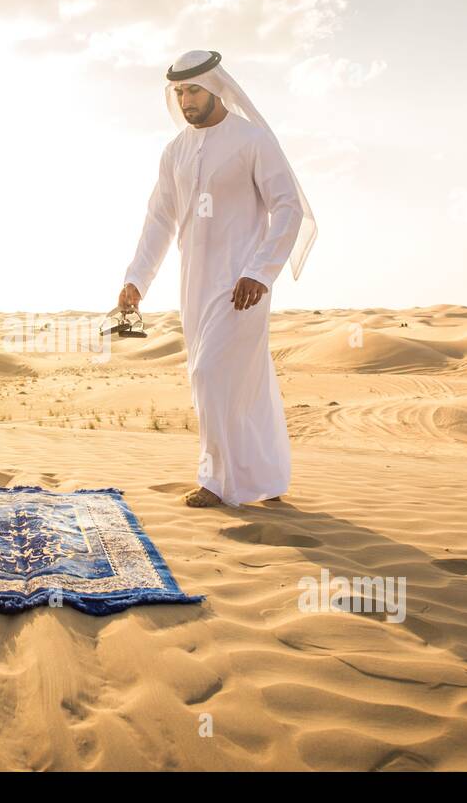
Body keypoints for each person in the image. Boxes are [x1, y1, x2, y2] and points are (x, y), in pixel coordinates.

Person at [119, 49, 318, 507]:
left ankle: (216, 482)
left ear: (215, 87)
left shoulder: (252, 140)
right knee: (233, 382)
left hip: (242, 286)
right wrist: (136, 280)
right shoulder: (176, 152)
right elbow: (159, 220)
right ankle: (264, 479)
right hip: (195, 284)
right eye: (179, 92)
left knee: (212, 375)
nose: (185, 100)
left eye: (192, 90)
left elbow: (287, 207)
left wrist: (261, 271)